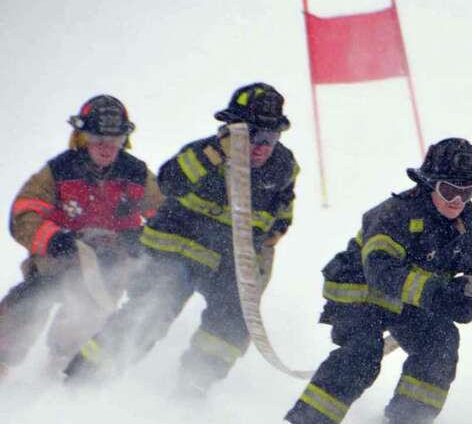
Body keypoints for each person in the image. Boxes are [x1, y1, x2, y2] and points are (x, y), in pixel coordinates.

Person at [62, 83, 298, 394]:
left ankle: (193, 387)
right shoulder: (203, 154)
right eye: (251, 135)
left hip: (227, 261)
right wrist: (214, 157)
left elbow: (279, 219)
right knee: (151, 310)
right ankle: (83, 379)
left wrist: (258, 264)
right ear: (229, 131)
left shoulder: (283, 167)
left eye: (270, 138)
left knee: (233, 322)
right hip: (173, 253)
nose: (260, 146)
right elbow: (168, 181)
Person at [282, 138, 472, 424]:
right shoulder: (396, 213)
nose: (457, 199)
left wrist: (471, 295)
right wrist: (435, 292)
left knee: (440, 344)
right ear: (429, 184)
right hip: (361, 294)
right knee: (362, 354)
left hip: (410, 303)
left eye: (467, 190)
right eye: (448, 190)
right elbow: (380, 270)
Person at [0, 95, 162, 377]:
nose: (106, 147)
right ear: (82, 136)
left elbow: (166, 216)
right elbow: (23, 213)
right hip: (60, 256)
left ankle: (64, 367)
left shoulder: (136, 174)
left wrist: (140, 237)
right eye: (98, 137)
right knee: (26, 302)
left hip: (111, 262)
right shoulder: (59, 171)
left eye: (115, 139)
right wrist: (54, 240)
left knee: (88, 310)